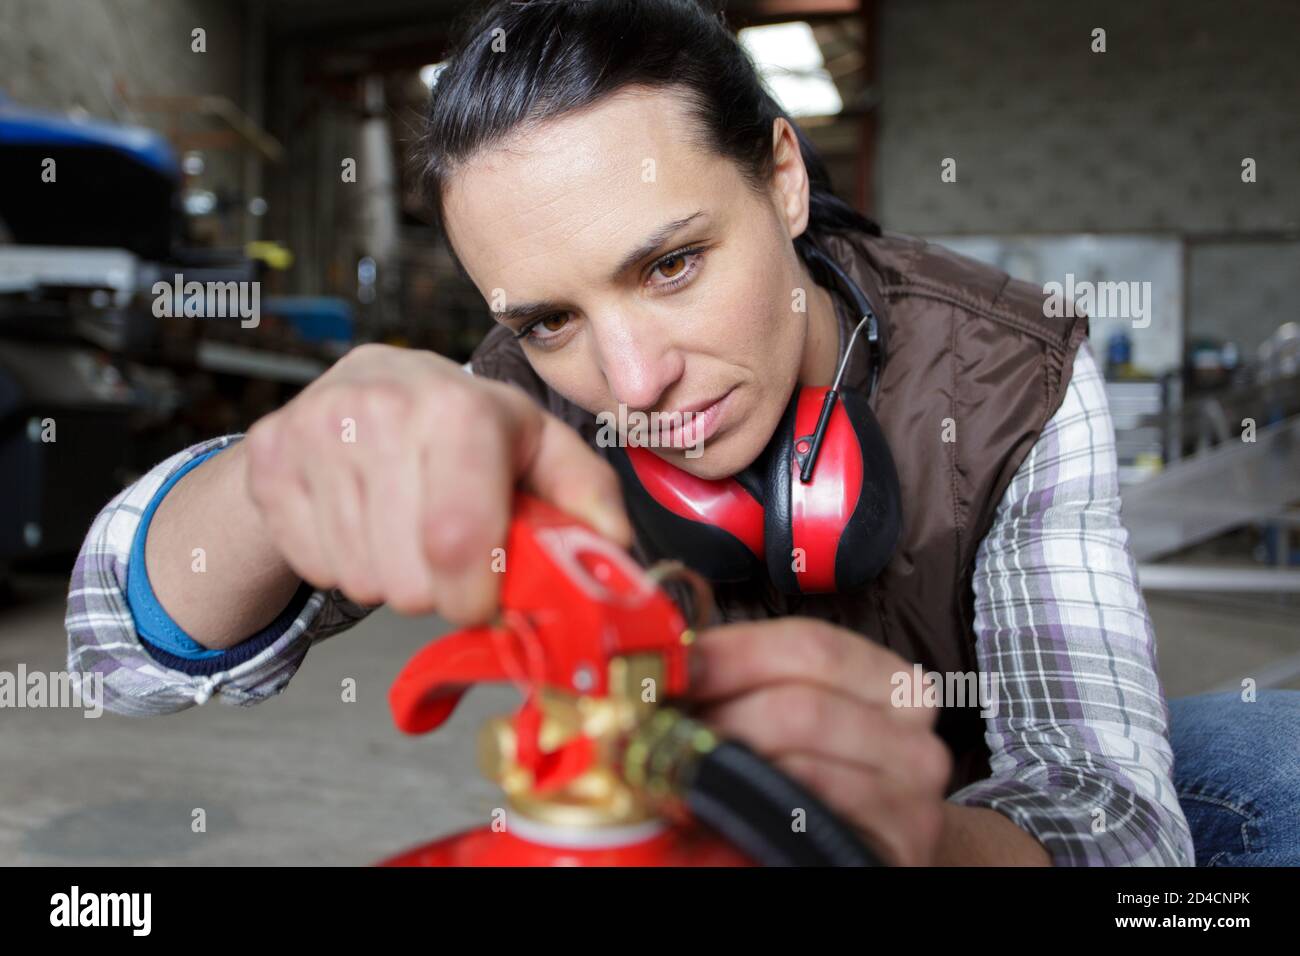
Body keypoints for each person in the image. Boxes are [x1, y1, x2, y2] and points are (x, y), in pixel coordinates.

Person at [66, 0, 1298, 866]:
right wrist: (275, 480)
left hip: (964, 838)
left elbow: (1118, 832)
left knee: (1260, 755)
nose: (632, 377)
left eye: (670, 264)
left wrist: (904, 843)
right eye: (550, 317)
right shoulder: (509, 404)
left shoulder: (1008, 374)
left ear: (780, 177)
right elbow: (113, 660)